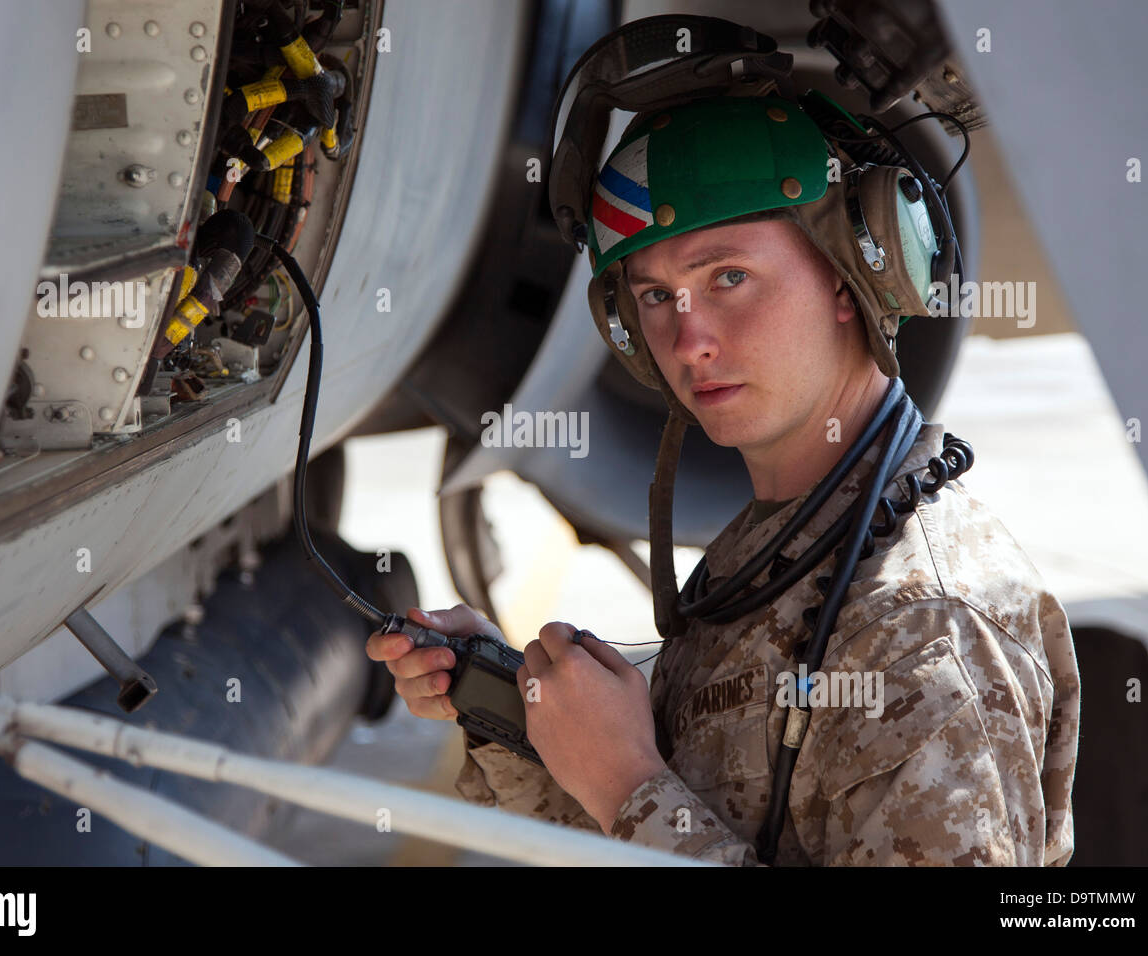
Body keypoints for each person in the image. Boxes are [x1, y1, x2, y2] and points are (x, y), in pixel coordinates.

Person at [365, 27, 1080, 866]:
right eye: (656, 296)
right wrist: (515, 720)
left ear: (851, 279)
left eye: (728, 278)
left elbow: (649, 812)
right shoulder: (784, 545)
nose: (688, 338)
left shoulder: (926, 636)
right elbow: (688, 830)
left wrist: (625, 782)